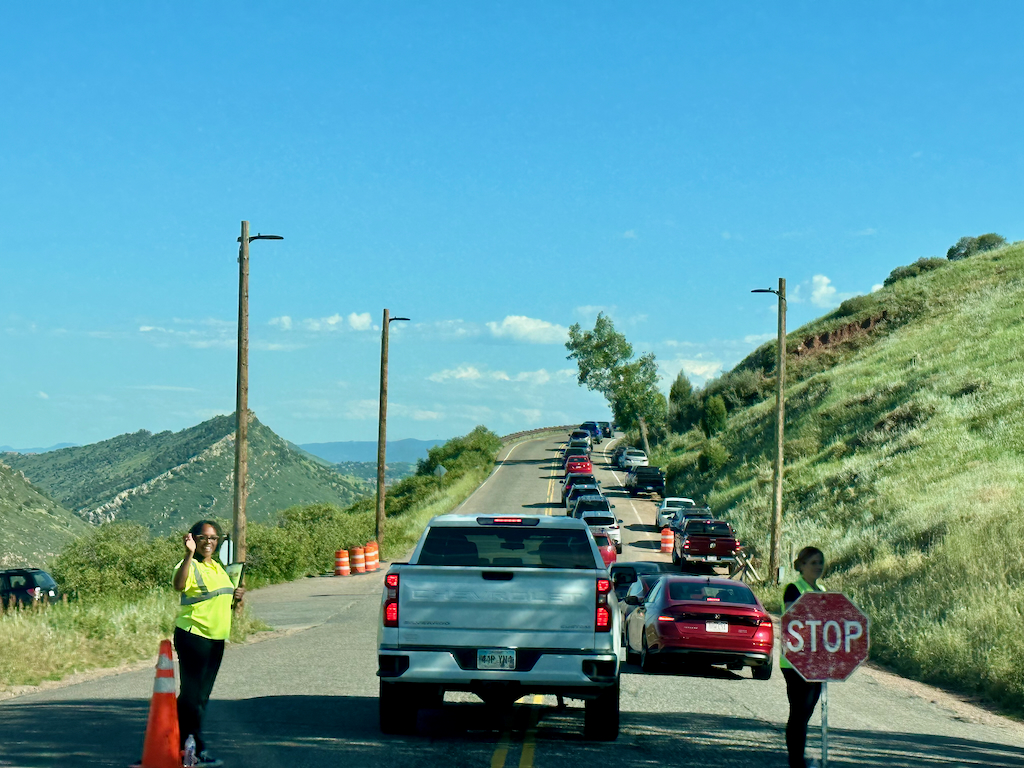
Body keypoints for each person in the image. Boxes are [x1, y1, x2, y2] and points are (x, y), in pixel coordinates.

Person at [172, 520, 244, 768]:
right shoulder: (188, 565)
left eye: (214, 538)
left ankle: (184, 744)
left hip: (216, 639)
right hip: (194, 635)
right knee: (192, 696)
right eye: (204, 538)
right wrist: (188, 553)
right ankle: (189, 748)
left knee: (202, 696)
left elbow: (218, 598)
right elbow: (179, 585)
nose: (209, 543)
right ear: (193, 539)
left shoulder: (219, 568)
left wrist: (234, 596)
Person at [780, 546, 825, 768]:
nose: (818, 566)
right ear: (802, 565)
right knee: (799, 712)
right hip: (795, 663)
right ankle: (796, 761)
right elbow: (793, 620)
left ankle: (798, 758)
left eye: (820, 562)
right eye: (813, 562)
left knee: (806, 713)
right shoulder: (794, 589)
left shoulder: (823, 590)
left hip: (817, 663)